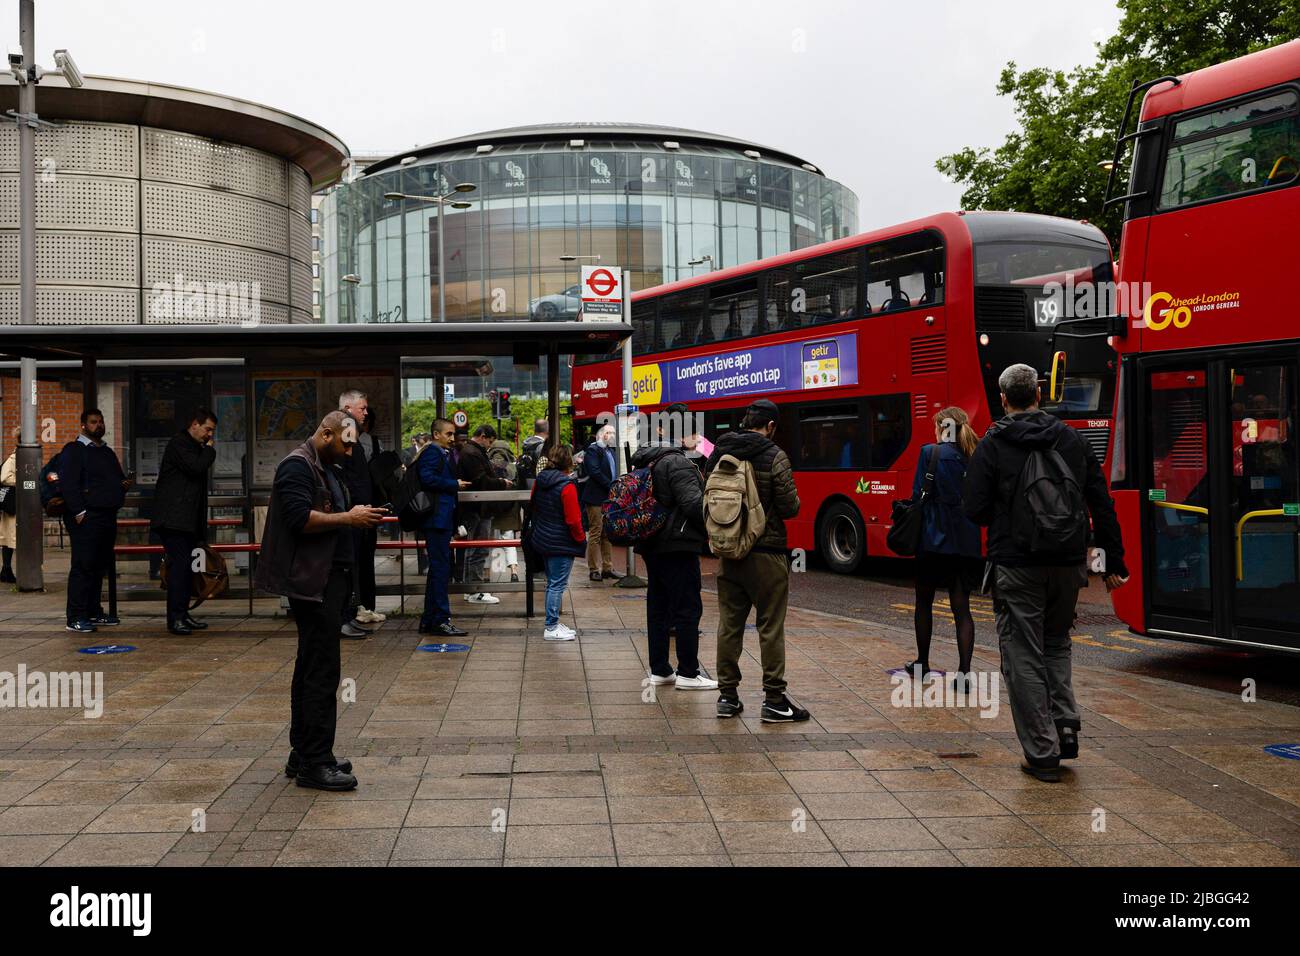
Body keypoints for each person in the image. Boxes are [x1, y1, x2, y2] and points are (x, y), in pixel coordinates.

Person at [962, 363, 1129, 783]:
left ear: (1003, 399)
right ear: (1038, 394)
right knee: (1056, 643)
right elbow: (1101, 501)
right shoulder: (1072, 439)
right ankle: (1066, 724)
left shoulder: (992, 445)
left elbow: (975, 510)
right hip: (1069, 564)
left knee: (1022, 654)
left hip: (1017, 565)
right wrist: (1113, 560)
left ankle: (1041, 751)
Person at [254, 411, 386, 791]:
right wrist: (350, 517)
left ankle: (304, 752)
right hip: (314, 584)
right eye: (344, 443)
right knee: (321, 672)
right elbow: (299, 519)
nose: (348, 451)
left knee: (311, 666)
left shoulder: (325, 465)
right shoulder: (298, 466)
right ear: (325, 433)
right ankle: (316, 761)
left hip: (327, 581)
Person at [706, 398, 806, 722]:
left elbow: (704, 499)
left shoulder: (720, 452)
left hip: (729, 554)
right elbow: (791, 508)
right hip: (767, 554)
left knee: (729, 625)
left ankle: (727, 697)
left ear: (745, 421)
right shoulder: (775, 456)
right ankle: (775, 700)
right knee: (770, 627)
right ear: (771, 426)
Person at [631, 408, 717, 691]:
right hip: (677, 544)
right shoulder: (678, 463)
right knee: (688, 608)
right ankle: (688, 673)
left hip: (652, 543)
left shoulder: (647, 457)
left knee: (658, 606)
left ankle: (660, 669)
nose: (698, 439)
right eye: (694, 434)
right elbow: (694, 505)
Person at [904, 407, 983, 689]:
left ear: (941, 427)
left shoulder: (931, 453)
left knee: (923, 602)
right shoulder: (974, 454)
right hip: (966, 540)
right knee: (962, 608)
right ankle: (964, 674)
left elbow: (918, 496)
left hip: (933, 540)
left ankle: (922, 663)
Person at [59, 409, 129, 634]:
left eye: (101, 421)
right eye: (93, 422)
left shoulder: (106, 452)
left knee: (99, 566)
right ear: (83, 425)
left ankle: (93, 610)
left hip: (106, 515)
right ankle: (76, 616)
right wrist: (79, 512)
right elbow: (68, 483)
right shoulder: (74, 450)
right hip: (86, 518)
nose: (98, 425)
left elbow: (116, 478)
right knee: (83, 566)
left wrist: (122, 488)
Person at [150, 407, 217, 635]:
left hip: (184, 521)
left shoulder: (192, 446)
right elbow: (195, 468)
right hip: (173, 520)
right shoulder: (179, 444)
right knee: (179, 568)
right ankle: (176, 618)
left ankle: (183, 614)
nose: (210, 435)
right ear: (194, 424)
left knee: (185, 568)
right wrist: (209, 451)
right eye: (208, 429)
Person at [418, 417, 473, 637]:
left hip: (440, 519)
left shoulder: (440, 453)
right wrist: (454, 484)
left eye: (453, 434)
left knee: (438, 570)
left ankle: (430, 619)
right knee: (441, 570)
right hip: (437, 519)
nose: (452, 438)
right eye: (448, 434)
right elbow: (427, 478)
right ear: (436, 434)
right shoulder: (433, 452)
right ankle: (440, 619)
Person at [529, 443, 585, 641]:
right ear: (568, 461)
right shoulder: (566, 486)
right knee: (557, 584)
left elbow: (534, 506)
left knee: (551, 582)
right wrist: (580, 538)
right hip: (561, 541)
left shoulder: (540, 481)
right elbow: (573, 519)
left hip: (543, 537)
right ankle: (551, 627)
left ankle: (552, 623)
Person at [337, 390, 378, 638]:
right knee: (346, 567)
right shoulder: (344, 431)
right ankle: (342, 617)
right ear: (347, 408)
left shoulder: (355, 436)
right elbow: (345, 475)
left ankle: (349, 615)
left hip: (360, 512)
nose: (366, 412)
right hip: (350, 514)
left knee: (354, 567)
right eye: (362, 408)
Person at [456, 424, 511, 605]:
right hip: (477, 508)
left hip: (477, 507)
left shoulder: (471, 451)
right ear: (482, 435)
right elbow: (481, 480)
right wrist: (501, 482)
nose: (489, 445)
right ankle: (475, 590)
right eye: (489, 440)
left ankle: (469, 588)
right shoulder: (472, 453)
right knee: (479, 548)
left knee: (474, 547)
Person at [579, 423, 621, 582]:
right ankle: (593, 569)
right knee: (596, 532)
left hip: (609, 497)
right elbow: (594, 471)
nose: (611, 435)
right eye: (609, 432)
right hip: (596, 497)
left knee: (607, 533)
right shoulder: (593, 450)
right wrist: (611, 485)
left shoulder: (610, 450)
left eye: (613, 433)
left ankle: (607, 568)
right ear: (602, 434)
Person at [487, 434, 522, 583]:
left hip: (490, 509)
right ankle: (514, 571)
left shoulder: (487, 464)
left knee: (488, 543)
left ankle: (486, 575)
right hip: (509, 510)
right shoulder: (513, 466)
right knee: (509, 542)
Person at [1, 426, 18, 584]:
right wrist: (22, 482)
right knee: (10, 538)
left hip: (17, 504)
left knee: (11, 538)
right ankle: (6, 570)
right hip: (12, 505)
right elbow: (5, 477)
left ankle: (6, 570)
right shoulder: (14, 457)